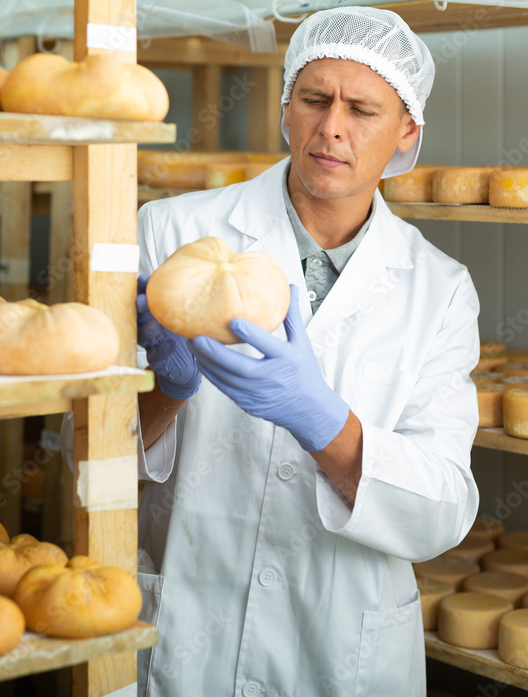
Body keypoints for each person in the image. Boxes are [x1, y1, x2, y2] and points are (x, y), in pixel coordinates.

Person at [135, 7, 480, 696]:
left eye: (364, 109)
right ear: (286, 107)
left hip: (338, 646)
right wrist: (166, 391)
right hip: (186, 623)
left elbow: (443, 509)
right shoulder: (172, 232)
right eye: (315, 99)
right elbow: (78, 458)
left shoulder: (439, 289)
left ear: (407, 131)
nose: (332, 127)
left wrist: (329, 426)